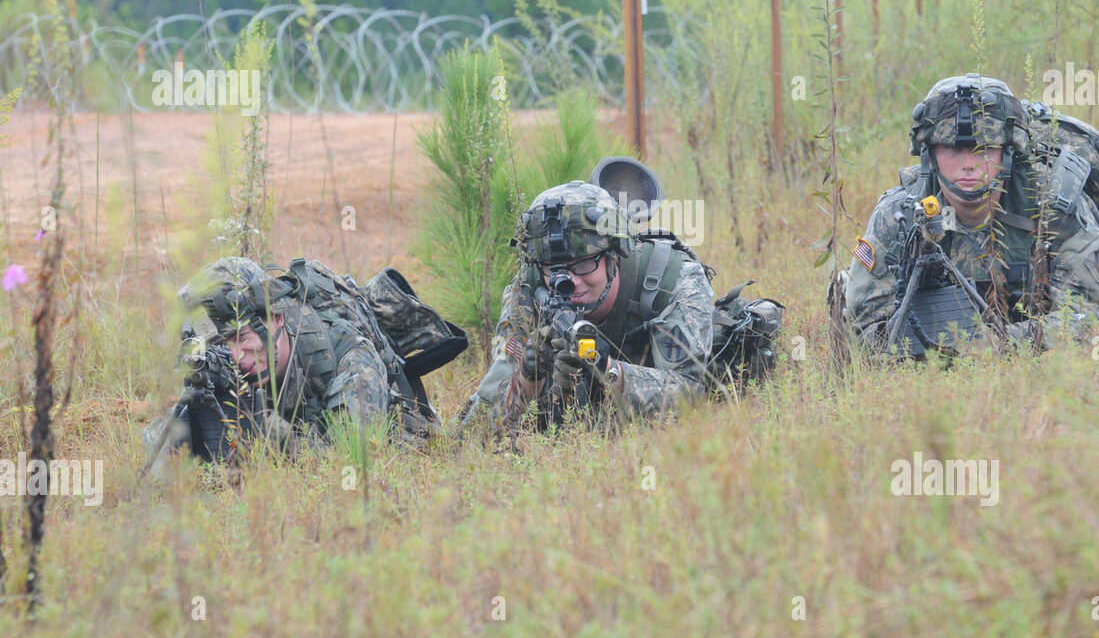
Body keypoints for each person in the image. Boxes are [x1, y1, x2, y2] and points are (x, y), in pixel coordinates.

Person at [836, 74, 1099, 356]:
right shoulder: (898, 215)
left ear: (1007, 153)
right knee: (840, 287)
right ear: (930, 155)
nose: (969, 165)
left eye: (983, 149)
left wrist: (1003, 343)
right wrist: (941, 349)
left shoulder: (1051, 204)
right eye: (951, 148)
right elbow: (863, 331)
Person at [144, 257, 453, 470]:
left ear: (276, 319)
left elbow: (347, 466)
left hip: (401, 446)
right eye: (224, 344)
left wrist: (264, 426)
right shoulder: (232, 365)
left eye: (241, 337)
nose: (236, 355)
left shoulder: (351, 361)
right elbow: (156, 443)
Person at [456, 181, 715, 433]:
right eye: (554, 269)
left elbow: (690, 395)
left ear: (615, 258)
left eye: (583, 264)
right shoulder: (527, 291)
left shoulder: (673, 278)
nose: (570, 281)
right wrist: (528, 379)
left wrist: (609, 370)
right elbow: (477, 426)